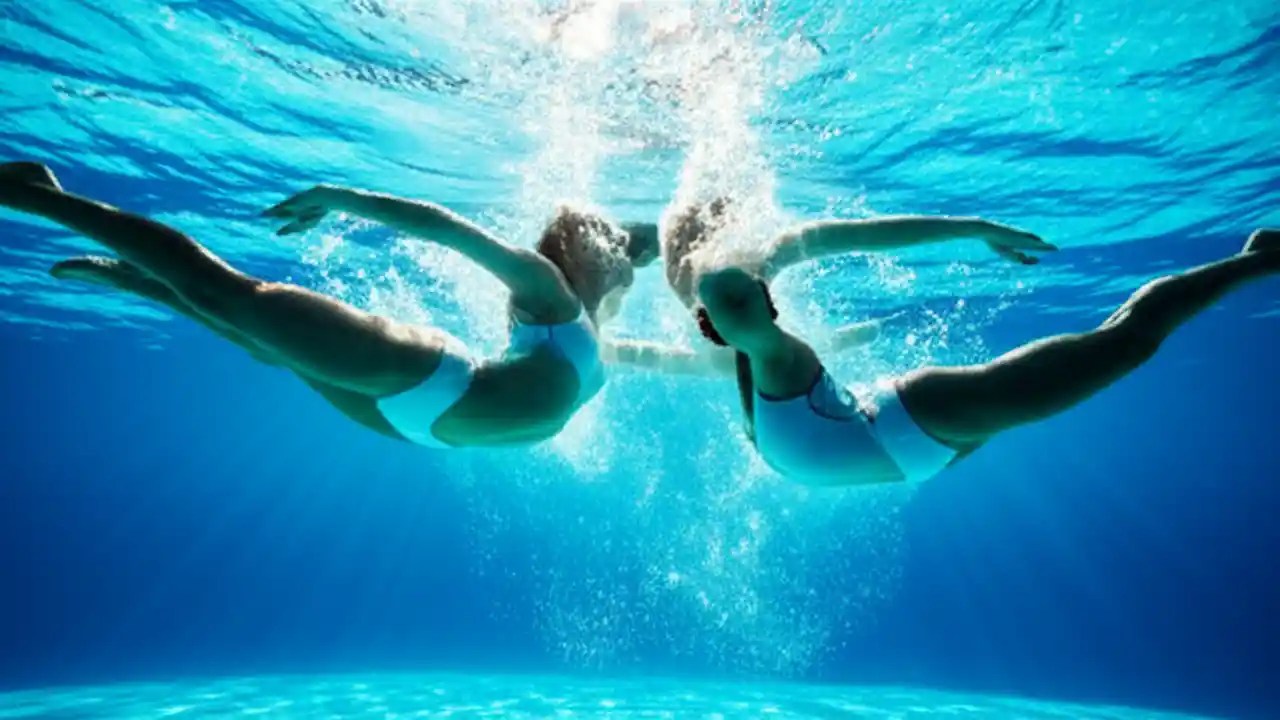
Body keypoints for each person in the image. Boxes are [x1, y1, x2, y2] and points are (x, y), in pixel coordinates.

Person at [0, 160, 656, 448]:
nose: (621, 258)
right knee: (233, 296)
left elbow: (646, 257)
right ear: (586, 257)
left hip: (411, 426)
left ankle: (142, 280)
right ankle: (38, 194)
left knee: (264, 346)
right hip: (424, 375)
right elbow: (446, 229)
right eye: (609, 247)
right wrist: (339, 198)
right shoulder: (547, 289)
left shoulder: (602, 334)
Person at [693, 226, 1280, 486]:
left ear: (765, 304)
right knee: (1120, 343)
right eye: (721, 307)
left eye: (745, 295)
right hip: (905, 439)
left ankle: (1258, 260)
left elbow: (730, 296)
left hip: (920, 421)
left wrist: (974, 227)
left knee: (1127, 342)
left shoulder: (763, 349)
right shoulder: (748, 359)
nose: (737, 305)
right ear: (710, 328)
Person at [605, 197, 1052, 376]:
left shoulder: (747, 270)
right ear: (766, 299)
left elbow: (654, 358)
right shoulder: (770, 255)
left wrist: (977, 229)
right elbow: (868, 233)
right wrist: (977, 228)